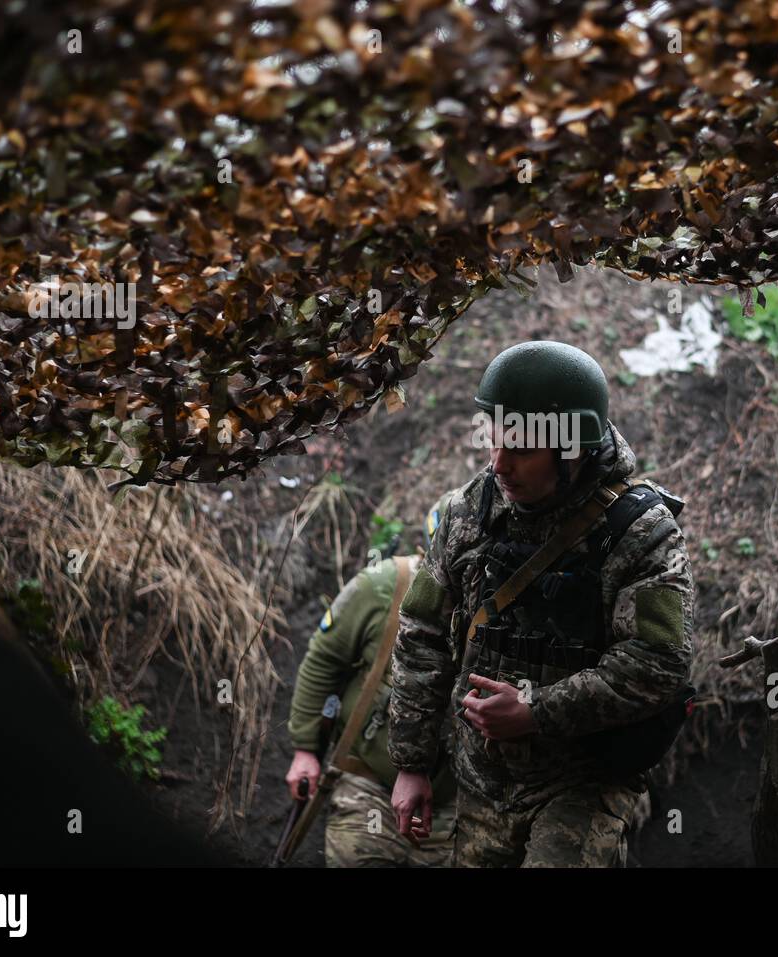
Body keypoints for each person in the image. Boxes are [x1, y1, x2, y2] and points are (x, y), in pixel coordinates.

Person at [388, 340, 696, 867]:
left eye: (521, 450)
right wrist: (412, 763)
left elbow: (658, 664)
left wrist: (535, 712)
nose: (499, 465)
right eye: (494, 443)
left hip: (582, 782)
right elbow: (423, 635)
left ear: (571, 451)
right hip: (482, 780)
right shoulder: (471, 512)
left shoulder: (639, 534)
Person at [285, 498, 457, 867]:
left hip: (454, 805)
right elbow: (323, 660)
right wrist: (304, 750)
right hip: (367, 784)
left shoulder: (502, 613)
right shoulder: (383, 586)